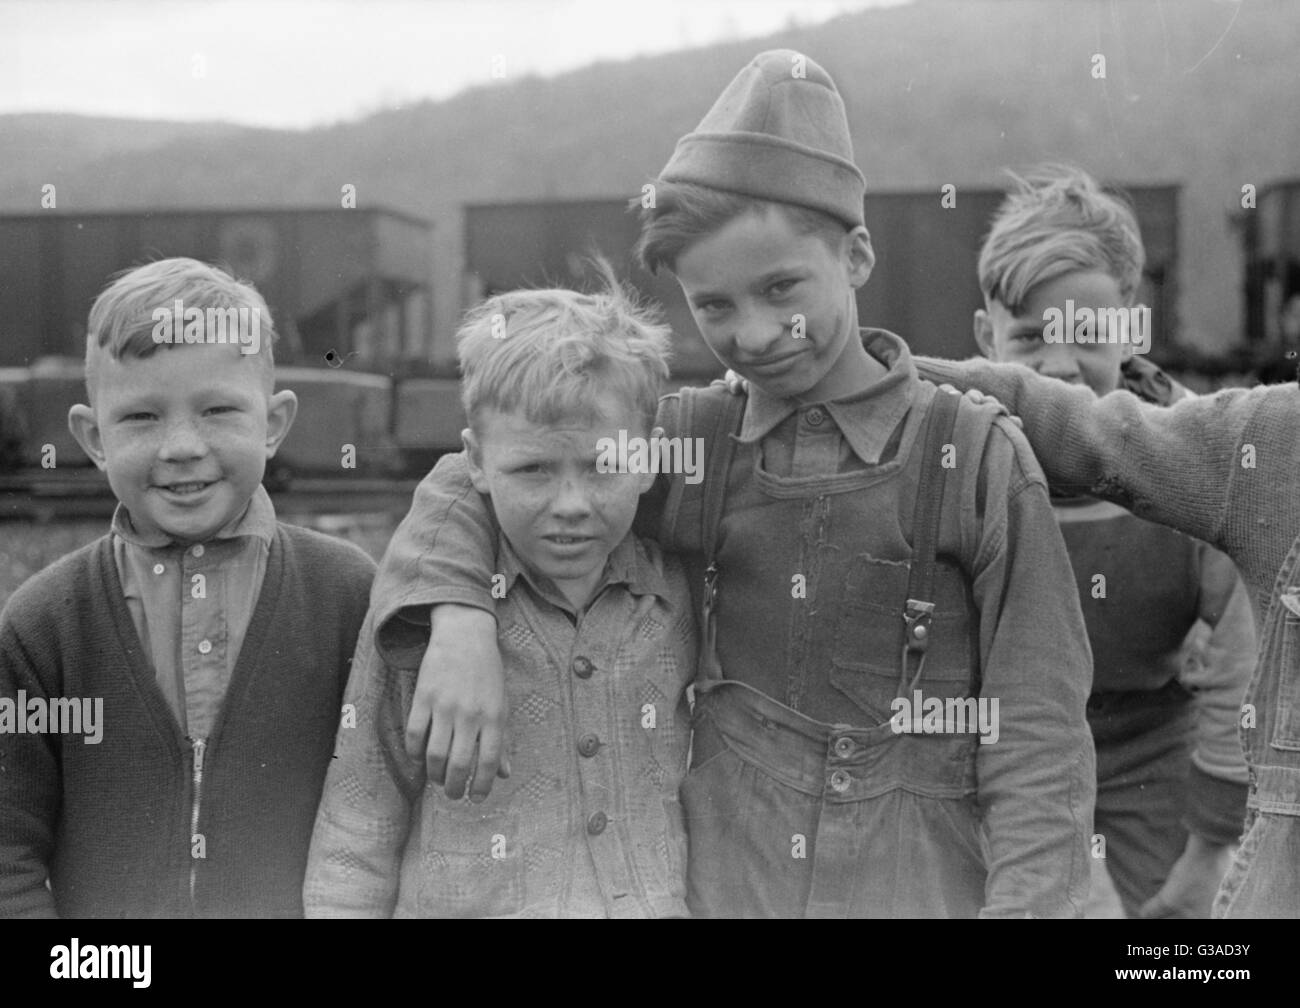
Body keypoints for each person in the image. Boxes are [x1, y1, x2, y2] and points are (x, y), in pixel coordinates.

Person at [359, 50, 1097, 917]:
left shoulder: (974, 459)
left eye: (781, 289)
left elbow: (1038, 740)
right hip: (727, 890)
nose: (752, 336)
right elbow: (485, 472)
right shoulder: (686, 443)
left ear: (857, 255)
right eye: (713, 306)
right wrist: (457, 616)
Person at [304, 278, 695, 917]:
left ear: (649, 459)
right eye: (532, 470)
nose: (570, 505)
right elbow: (360, 820)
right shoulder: (422, 619)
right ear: (476, 464)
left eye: (601, 468)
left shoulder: (681, 597)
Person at [0, 258, 375, 917]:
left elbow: (384, 810)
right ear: (92, 437)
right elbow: (7, 853)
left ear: (275, 421)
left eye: (218, 410)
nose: (181, 446)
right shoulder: (43, 624)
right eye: (141, 418)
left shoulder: (347, 595)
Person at [970, 165, 1255, 918]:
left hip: (1151, 731)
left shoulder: (1204, 460)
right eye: (1028, 336)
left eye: (1087, 334)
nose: (1058, 364)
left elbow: (1243, 655)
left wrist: (1210, 849)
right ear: (984, 336)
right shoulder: (954, 454)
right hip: (994, 737)